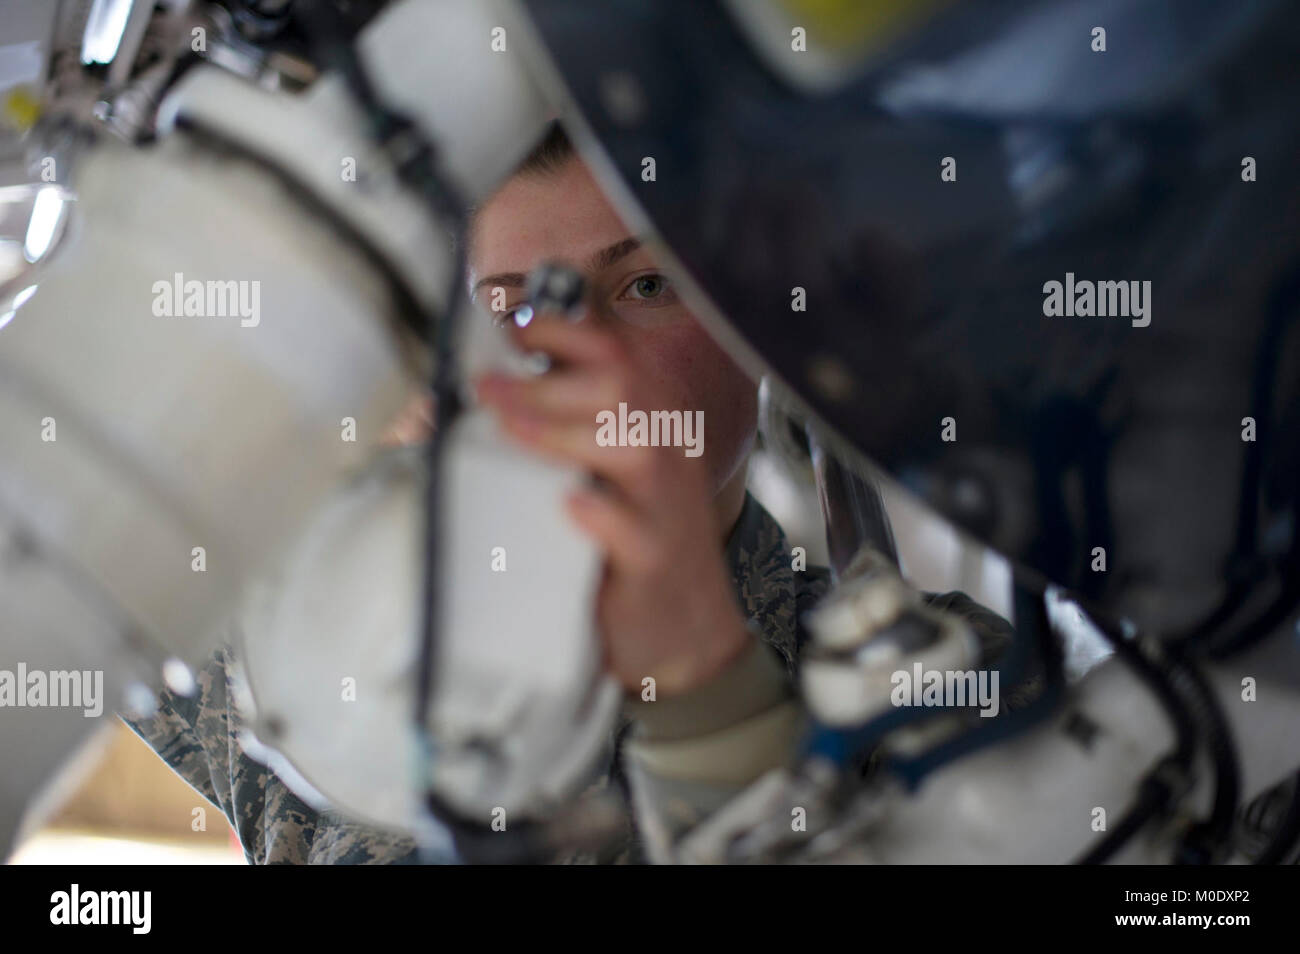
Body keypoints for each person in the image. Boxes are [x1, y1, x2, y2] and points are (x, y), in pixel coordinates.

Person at [123, 122, 1015, 864]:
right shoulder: (297, 634)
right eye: (507, 310)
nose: (585, 356)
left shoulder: (952, 680)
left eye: (648, 285)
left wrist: (710, 702)